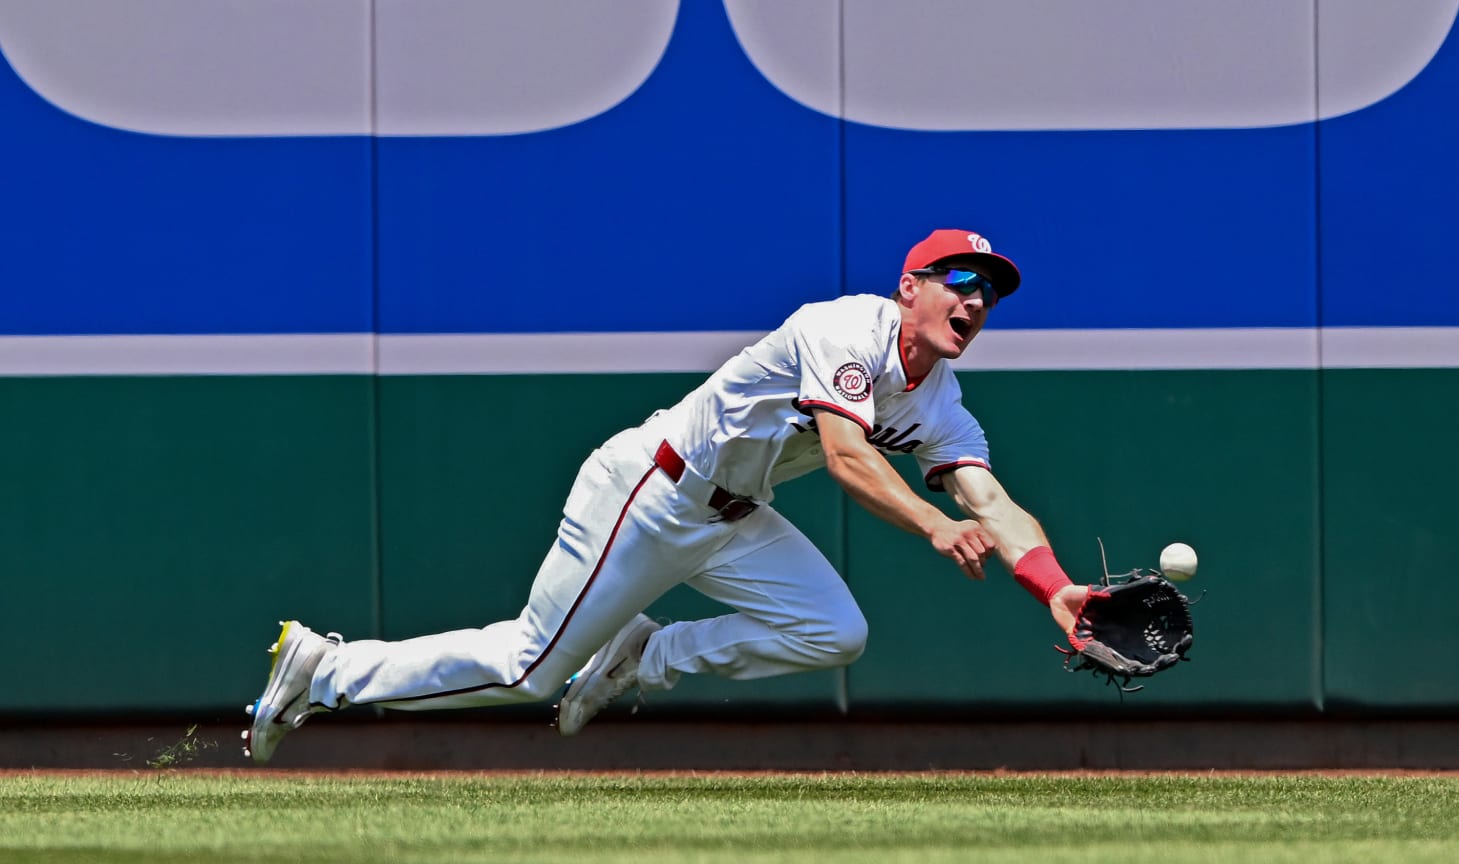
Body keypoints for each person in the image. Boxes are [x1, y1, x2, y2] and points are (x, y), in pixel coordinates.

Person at [243, 228, 1092, 764]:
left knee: (835, 632)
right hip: (652, 488)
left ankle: (644, 655)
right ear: (910, 286)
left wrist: (1055, 590)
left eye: (989, 293)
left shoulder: (940, 402)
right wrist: (934, 525)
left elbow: (993, 503)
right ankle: (326, 671)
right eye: (959, 280)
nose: (975, 301)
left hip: (734, 516)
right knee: (530, 669)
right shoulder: (845, 329)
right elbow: (845, 456)